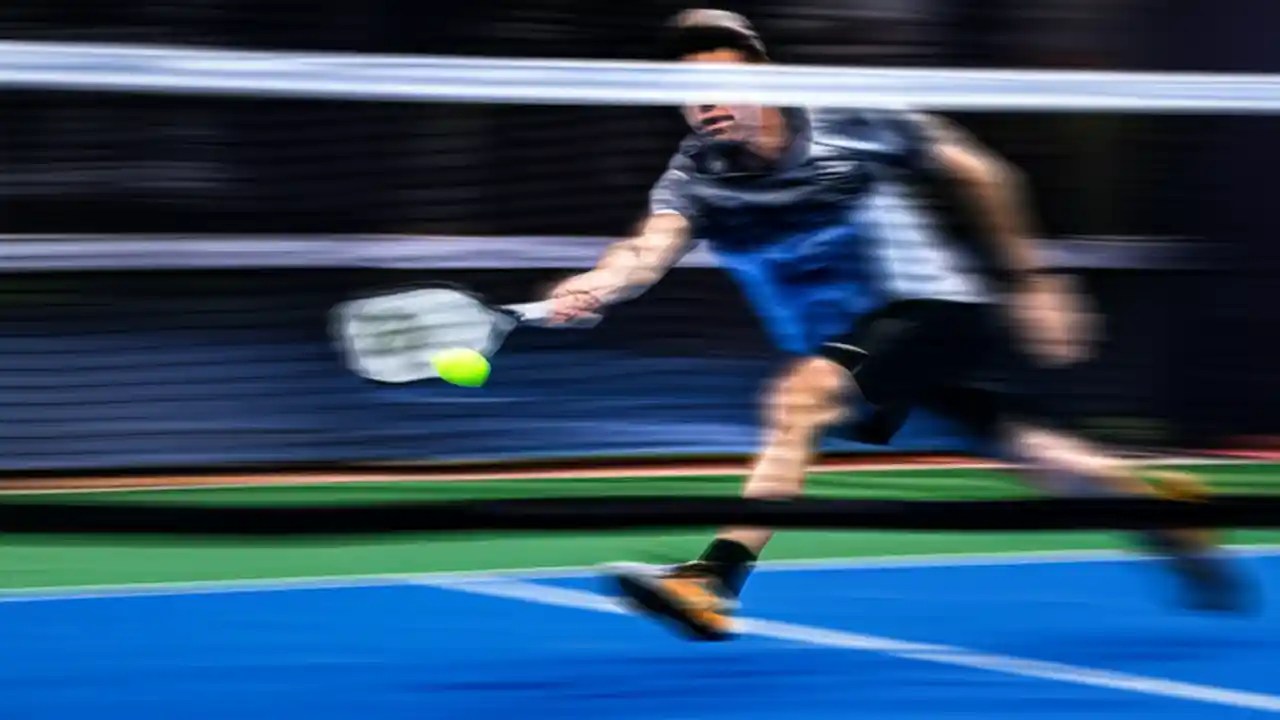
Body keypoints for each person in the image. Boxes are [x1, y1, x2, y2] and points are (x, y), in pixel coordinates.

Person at [545, 8, 1249, 640]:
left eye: (720, 82)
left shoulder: (848, 116)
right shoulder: (696, 174)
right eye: (684, 94)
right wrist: (599, 285)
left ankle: (711, 578)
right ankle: (1161, 507)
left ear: (762, 74)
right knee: (1035, 454)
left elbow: (982, 171)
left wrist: (1035, 279)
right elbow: (647, 249)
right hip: (862, 342)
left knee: (798, 399)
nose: (704, 104)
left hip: (932, 306)